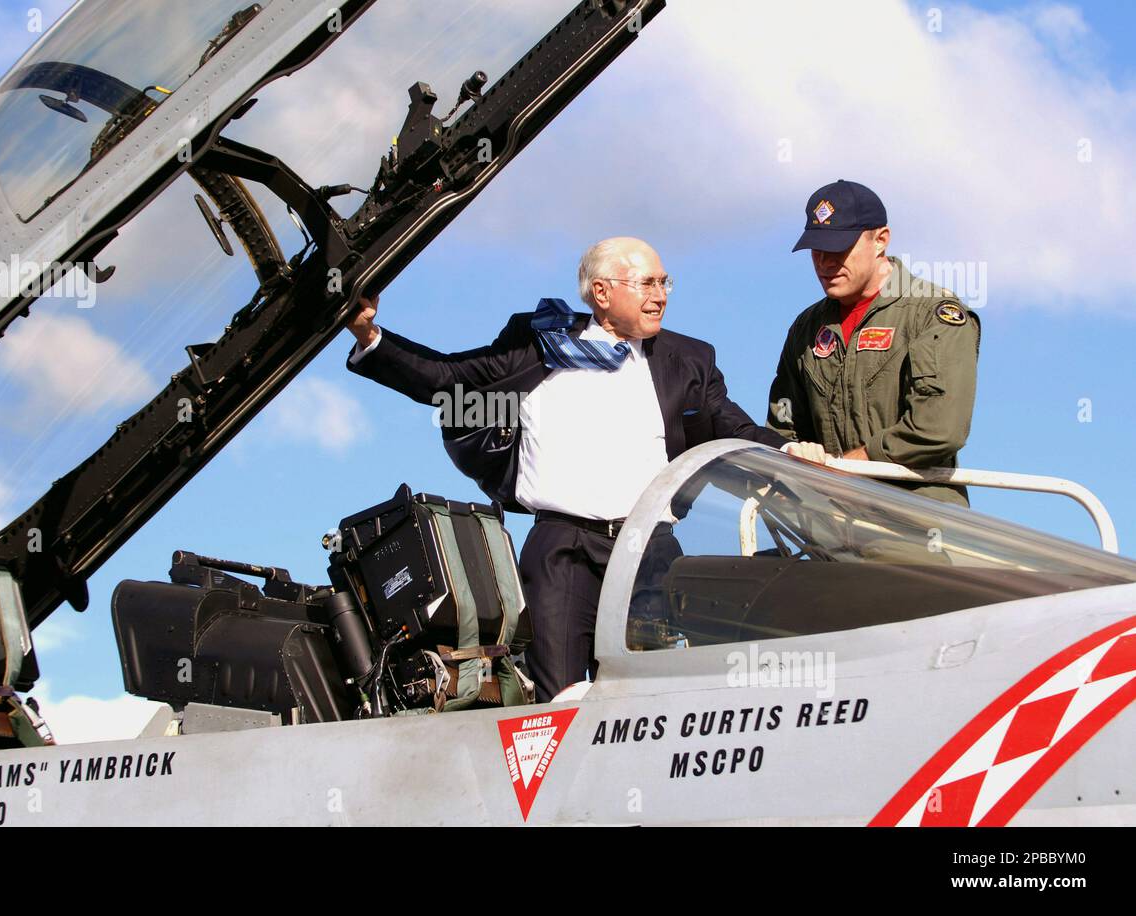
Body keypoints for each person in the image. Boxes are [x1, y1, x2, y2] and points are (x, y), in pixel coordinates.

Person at [345, 237, 789, 701]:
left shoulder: (688, 360)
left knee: (653, 696)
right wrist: (369, 337)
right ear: (602, 293)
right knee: (555, 702)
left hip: (649, 553)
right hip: (563, 550)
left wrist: (790, 452)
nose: (660, 295)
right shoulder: (540, 347)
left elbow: (733, 428)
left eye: (664, 282)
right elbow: (445, 380)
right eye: (646, 283)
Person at [766, 180, 981, 505]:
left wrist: (852, 464)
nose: (825, 263)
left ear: (881, 240)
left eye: (839, 249)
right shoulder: (806, 329)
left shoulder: (932, 313)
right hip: (827, 528)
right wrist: (795, 462)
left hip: (915, 526)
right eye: (817, 250)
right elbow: (783, 428)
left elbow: (938, 429)